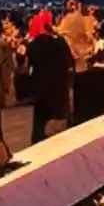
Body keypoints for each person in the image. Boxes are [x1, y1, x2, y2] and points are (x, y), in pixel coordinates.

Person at [27, 11, 73, 143]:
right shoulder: (60, 43)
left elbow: (31, 61)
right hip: (58, 87)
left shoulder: (35, 45)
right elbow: (68, 62)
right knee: (58, 121)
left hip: (41, 88)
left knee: (40, 122)